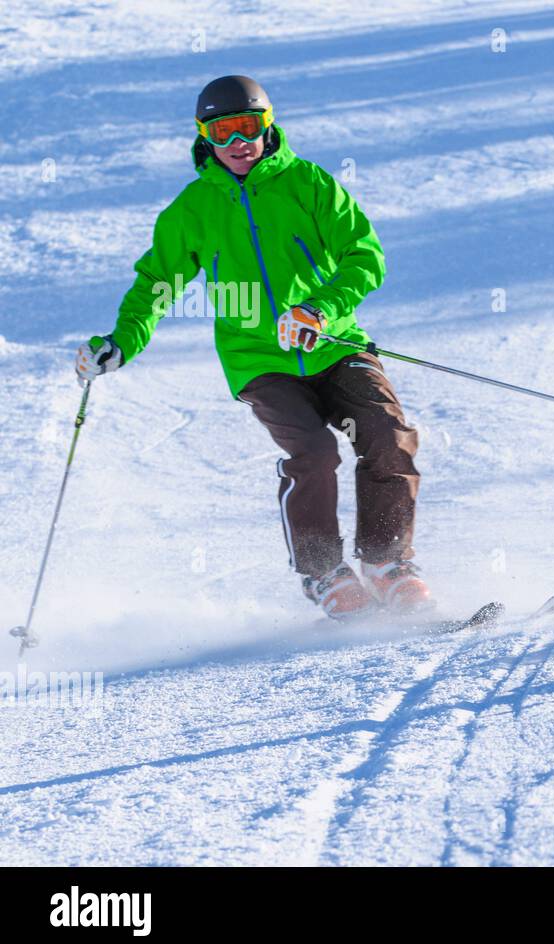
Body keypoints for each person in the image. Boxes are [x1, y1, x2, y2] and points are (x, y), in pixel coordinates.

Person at [75, 75, 429, 621]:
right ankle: (323, 572)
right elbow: (156, 286)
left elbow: (366, 256)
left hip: (334, 344)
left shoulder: (309, 184)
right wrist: (122, 342)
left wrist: (319, 309)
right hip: (259, 360)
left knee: (387, 434)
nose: (239, 141)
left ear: (269, 126)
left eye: (249, 126)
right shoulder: (192, 210)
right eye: (224, 130)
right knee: (313, 454)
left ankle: (387, 564)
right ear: (204, 137)